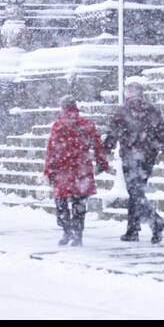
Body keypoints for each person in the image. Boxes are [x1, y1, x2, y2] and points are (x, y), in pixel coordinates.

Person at [103, 77, 164, 243]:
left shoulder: (122, 111)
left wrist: (104, 152)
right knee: (136, 192)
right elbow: (162, 135)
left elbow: (112, 135)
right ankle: (132, 228)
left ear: (128, 94)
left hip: (130, 157)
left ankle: (154, 221)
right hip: (148, 157)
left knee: (135, 192)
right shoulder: (152, 111)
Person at [43, 95, 110, 247]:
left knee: (61, 203)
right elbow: (98, 146)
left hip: (63, 170)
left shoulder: (58, 126)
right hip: (82, 169)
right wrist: (102, 163)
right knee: (79, 204)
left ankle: (67, 231)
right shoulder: (87, 124)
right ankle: (78, 235)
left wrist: (48, 172)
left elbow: (51, 151)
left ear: (62, 108)